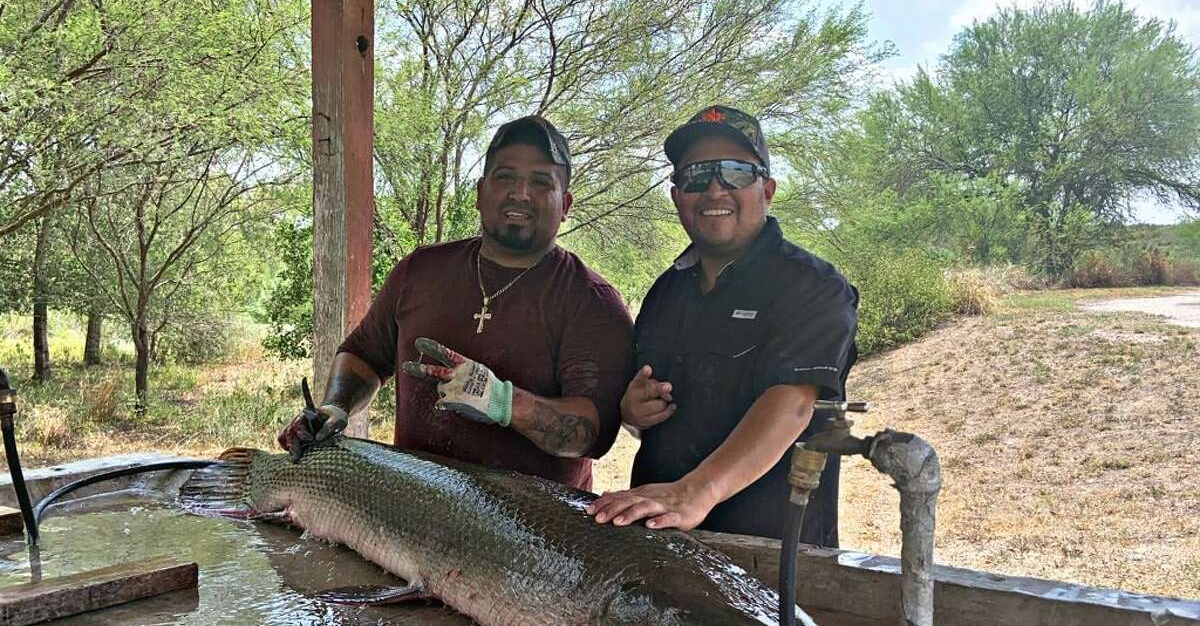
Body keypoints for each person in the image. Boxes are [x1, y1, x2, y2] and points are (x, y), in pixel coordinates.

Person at [279, 115, 634, 491]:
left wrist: (503, 402)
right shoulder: (420, 270)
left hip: (534, 529)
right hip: (414, 501)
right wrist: (335, 406)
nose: (521, 193)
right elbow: (365, 354)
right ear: (480, 193)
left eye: (541, 182)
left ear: (566, 204)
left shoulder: (591, 301)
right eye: (505, 176)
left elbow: (591, 433)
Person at [587, 105, 858, 545]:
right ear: (677, 196)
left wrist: (696, 491)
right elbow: (646, 413)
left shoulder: (814, 286)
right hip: (660, 540)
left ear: (766, 189)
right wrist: (632, 412)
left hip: (771, 554)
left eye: (734, 172)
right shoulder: (665, 292)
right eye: (695, 175)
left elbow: (793, 403)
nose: (714, 188)